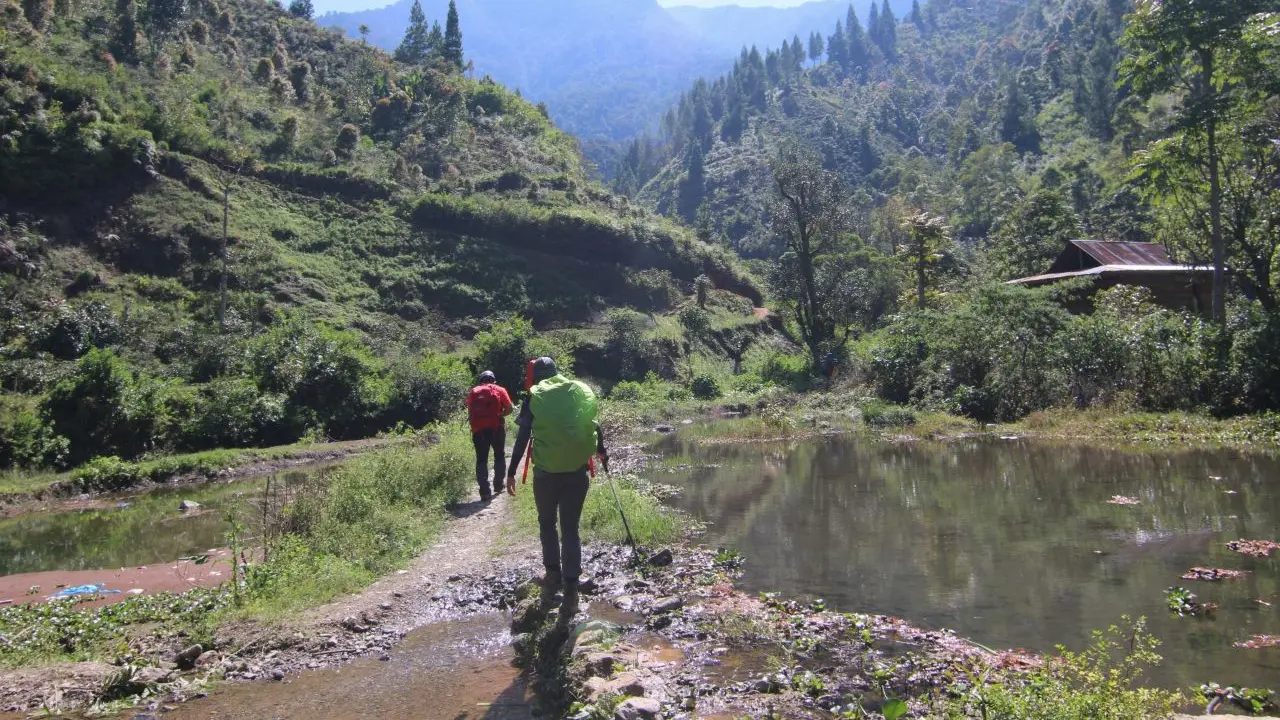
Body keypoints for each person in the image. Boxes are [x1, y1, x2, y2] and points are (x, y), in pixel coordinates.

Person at [506, 357, 607, 623]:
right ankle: (572, 594)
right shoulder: (575, 391)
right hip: (577, 471)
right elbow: (593, 424)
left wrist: (510, 471)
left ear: (534, 376)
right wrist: (603, 453)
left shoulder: (534, 397)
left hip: (546, 474)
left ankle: (553, 578)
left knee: (547, 523)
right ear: (556, 373)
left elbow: (522, 437)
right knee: (571, 528)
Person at [466, 370, 513, 502]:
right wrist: (499, 415)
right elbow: (509, 408)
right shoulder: (499, 390)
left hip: (479, 430)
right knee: (499, 455)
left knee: (481, 460)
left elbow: (470, 413)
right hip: (496, 428)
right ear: (494, 380)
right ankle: (498, 485)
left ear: (481, 380)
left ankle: (484, 492)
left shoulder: (474, 392)